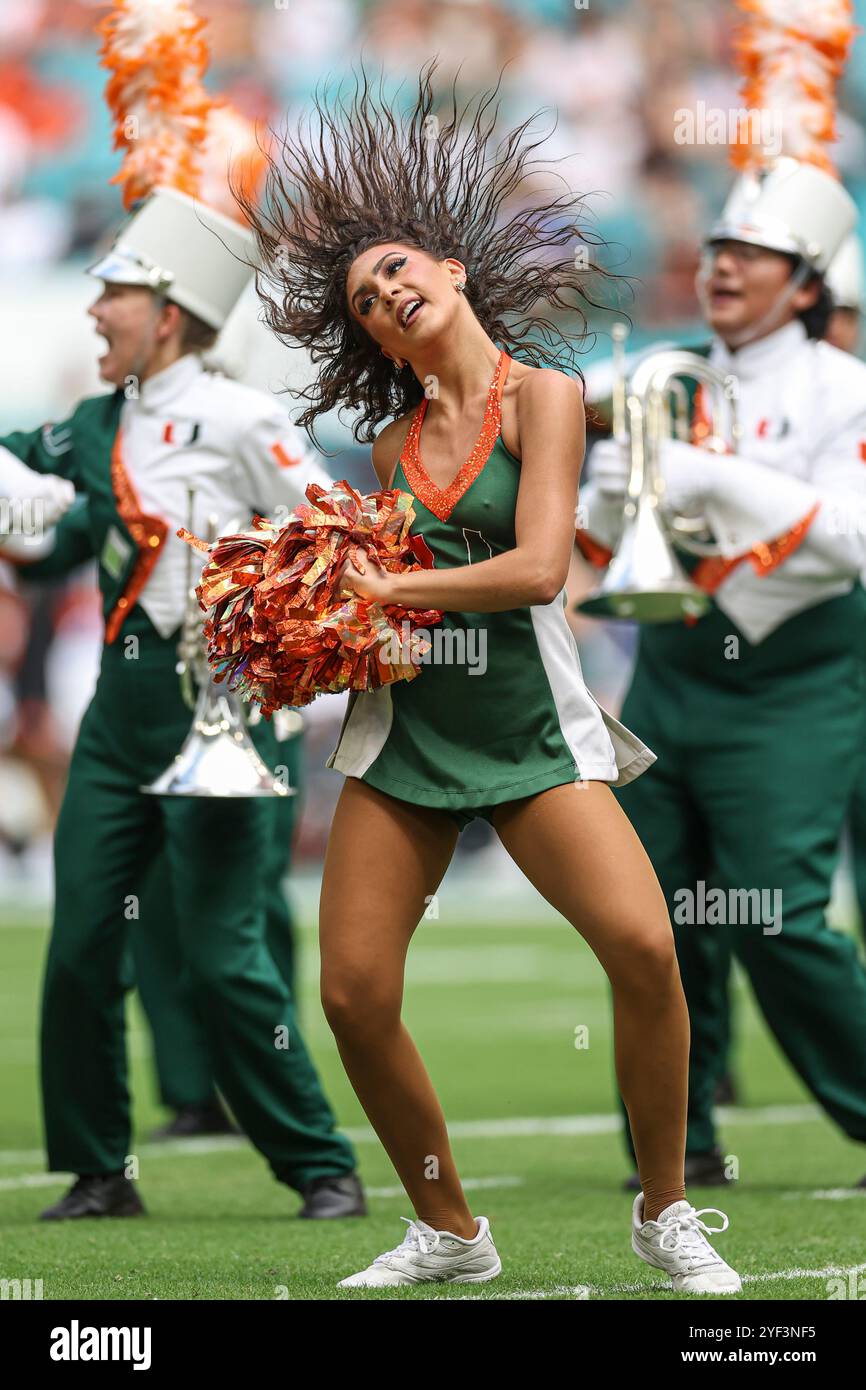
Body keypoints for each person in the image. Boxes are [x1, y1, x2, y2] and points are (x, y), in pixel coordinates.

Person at [231, 62, 742, 1292]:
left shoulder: (546, 396)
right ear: (365, 333)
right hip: (405, 739)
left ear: (452, 272)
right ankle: (449, 1229)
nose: (387, 293)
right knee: (352, 993)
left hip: (528, 733)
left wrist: (386, 593)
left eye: (398, 270)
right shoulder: (390, 442)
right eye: (363, 298)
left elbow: (533, 568)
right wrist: (309, 620)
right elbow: (369, 603)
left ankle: (667, 1211)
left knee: (643, 949)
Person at [0, 185, 364, 1221]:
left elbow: (339, 537)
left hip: (226, 703)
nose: (92, 312)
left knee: (221, 952)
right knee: (78, 944)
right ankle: (97, 1168)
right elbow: (33, 523)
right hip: (120, 710)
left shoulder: (249, 417)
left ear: (165, 312)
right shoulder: (91, 421)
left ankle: (318, 1162)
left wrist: (273, 628)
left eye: (110, 293)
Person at [578, 157, 866, 1190]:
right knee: (649, 913)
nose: (721, 266)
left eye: (750, 253)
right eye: (715, 248)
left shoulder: (847, 391)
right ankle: (675, 1140)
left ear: (805, 279)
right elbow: (608, 540)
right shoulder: (663, 374)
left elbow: (849, 538)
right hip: (669, 667)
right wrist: (616, 499)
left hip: (791, 680)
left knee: (774, 914)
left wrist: (705, 475)